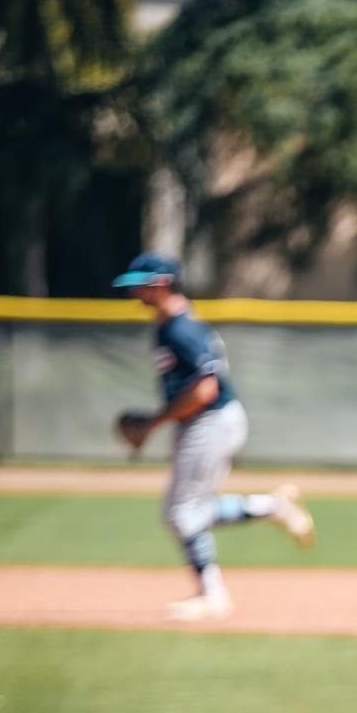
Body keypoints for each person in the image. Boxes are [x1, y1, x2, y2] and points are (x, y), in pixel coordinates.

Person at [113, 252, 314, 621]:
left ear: (161, 284)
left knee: (184, 512)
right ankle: (272, 508)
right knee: (186, 512)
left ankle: (213, 594)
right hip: (207, 422)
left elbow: (204, 390)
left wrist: (153, 424)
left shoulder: (178, 328)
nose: (133, 292)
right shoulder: (171, 324)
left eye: (139, 284)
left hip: (212, 420)